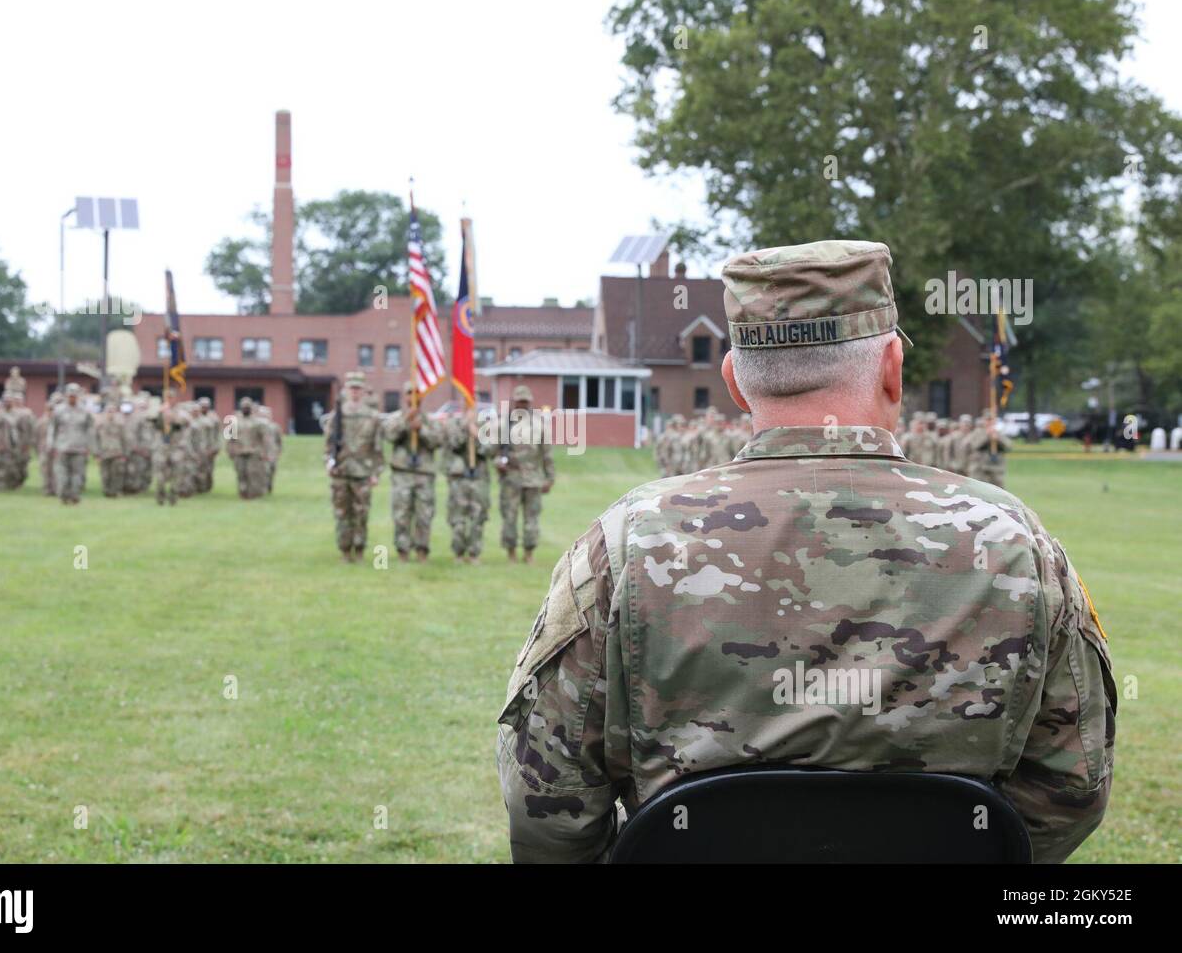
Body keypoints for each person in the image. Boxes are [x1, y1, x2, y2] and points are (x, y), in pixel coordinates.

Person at [496, 240, 1114, 864]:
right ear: (892, 367)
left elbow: (545, 802)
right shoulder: (1015, 541)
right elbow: (1072, 785)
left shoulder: (625, 544)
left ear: (734, 380)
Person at [324, 371, 382, 562]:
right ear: (346, 390)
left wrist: (376, 473)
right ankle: (344, 550)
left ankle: (359, 550)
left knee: (361, 513)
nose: (355, 392)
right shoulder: (337, 415)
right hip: (341, 470)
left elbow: (378, 449)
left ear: (363, 391)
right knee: (342, 513)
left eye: (358, 388)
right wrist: (329, 462)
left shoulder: (372, 417)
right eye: (351, 388)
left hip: (363, 472)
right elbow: (329, 443)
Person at [382, 384, 443, 561]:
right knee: (401, 514)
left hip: (424, 473)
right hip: (403, 473)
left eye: (417, 393)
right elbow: (389, 436)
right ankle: (403, 551)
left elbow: (437, 441)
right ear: (405, 396)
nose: (414, 397)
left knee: (424, 514)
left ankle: (422, 551)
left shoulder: (429, 420)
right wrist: (405, 422)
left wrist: (421, 429)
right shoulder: (397, 418)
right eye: (410, 393)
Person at [497, 385, 554, 563]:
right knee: (509, 517)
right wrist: (498, 463)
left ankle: (529, 552)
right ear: (514, 401)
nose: (522, 404)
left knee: (532, 519)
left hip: (533, 479)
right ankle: (511, 552)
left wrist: (549, 478)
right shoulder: (503, 424)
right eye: (519, 401)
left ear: (530, 402)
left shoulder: (539, 425)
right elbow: (493, 451)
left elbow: (547, 454)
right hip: (511, 479)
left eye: (525, 401)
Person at [444, 405, 497, 563]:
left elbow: (491, 450)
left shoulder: (486, 426)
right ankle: (458, 553)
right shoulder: (454, 424)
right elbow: (453, 445)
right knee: (458, 517)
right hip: (459, 478)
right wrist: (465, 428)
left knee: (478, 516)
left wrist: (477, 435)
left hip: (479, 478)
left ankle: (474, 553)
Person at [49, 383, 94, 505]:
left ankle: (75, 496)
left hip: (79, 448)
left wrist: (90, 447)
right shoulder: (59, 410)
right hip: (62, 448)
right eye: (70, 395)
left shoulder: (85, 411)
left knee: (77, 475)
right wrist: (51, 445)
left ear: (78, 396)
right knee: (62, 475)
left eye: (74, 395)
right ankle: (64, 496)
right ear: (66, 396)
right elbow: (53, 429)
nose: (72, 398)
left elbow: (90, 430)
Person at [225, 397, 267, 499]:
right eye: (244, 407)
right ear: (241, 407)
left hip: (253, 452)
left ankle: (253, 493)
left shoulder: (257, 422)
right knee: (241, 473)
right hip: (239, 452)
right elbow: (230, 438)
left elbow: (263, 437)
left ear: (251, 408)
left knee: (252, 473)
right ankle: (243, 492)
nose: (246, 409)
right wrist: (230, 450)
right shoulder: (235, 421)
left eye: (248, 407)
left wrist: (263, 451)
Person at [965, 411, 1012, 488]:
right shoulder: (977, 432)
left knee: (998, 492)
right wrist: (987, 436)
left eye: (991, 420)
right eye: (987, 420)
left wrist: (998, 439)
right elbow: (975, 446)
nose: (989, 422)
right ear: (983, 421)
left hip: (996, 469)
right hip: (980, 470)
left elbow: (1009, 446)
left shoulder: (998, 433)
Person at [95, 404, 129, 497]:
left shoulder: (120, 425)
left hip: (117, 452)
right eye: (108, 411)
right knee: (105, 474)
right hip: (104, 453)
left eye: (112, 411)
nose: (110, 413)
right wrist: (96, 454)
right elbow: (96, 439)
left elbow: (124, 439)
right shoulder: (100, 424)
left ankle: (116, 491)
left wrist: (125, 454)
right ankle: (107, 491)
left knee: (117, 474)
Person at [197, 396, 222, 493]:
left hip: (210, 447)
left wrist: (216, 447)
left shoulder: (214, 418)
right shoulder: (196, 416)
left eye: (206, 406)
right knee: (198, 468)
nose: (204, 408)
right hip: (198, 447)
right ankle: (199, 487)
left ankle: (208, 487)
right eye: (202, 406)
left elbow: (217, 434)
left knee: (209, 469)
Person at [257, 405, 282, 494]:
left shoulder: (275, 427)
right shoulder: (256, 426)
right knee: (262, 471)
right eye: (262, 414)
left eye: (266, 414)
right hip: (260, 453)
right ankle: (261, 488)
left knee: (271, 470)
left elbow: (279, 441)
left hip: (272, 453)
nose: (264, 416)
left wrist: (279, 451)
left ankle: (269, 485)